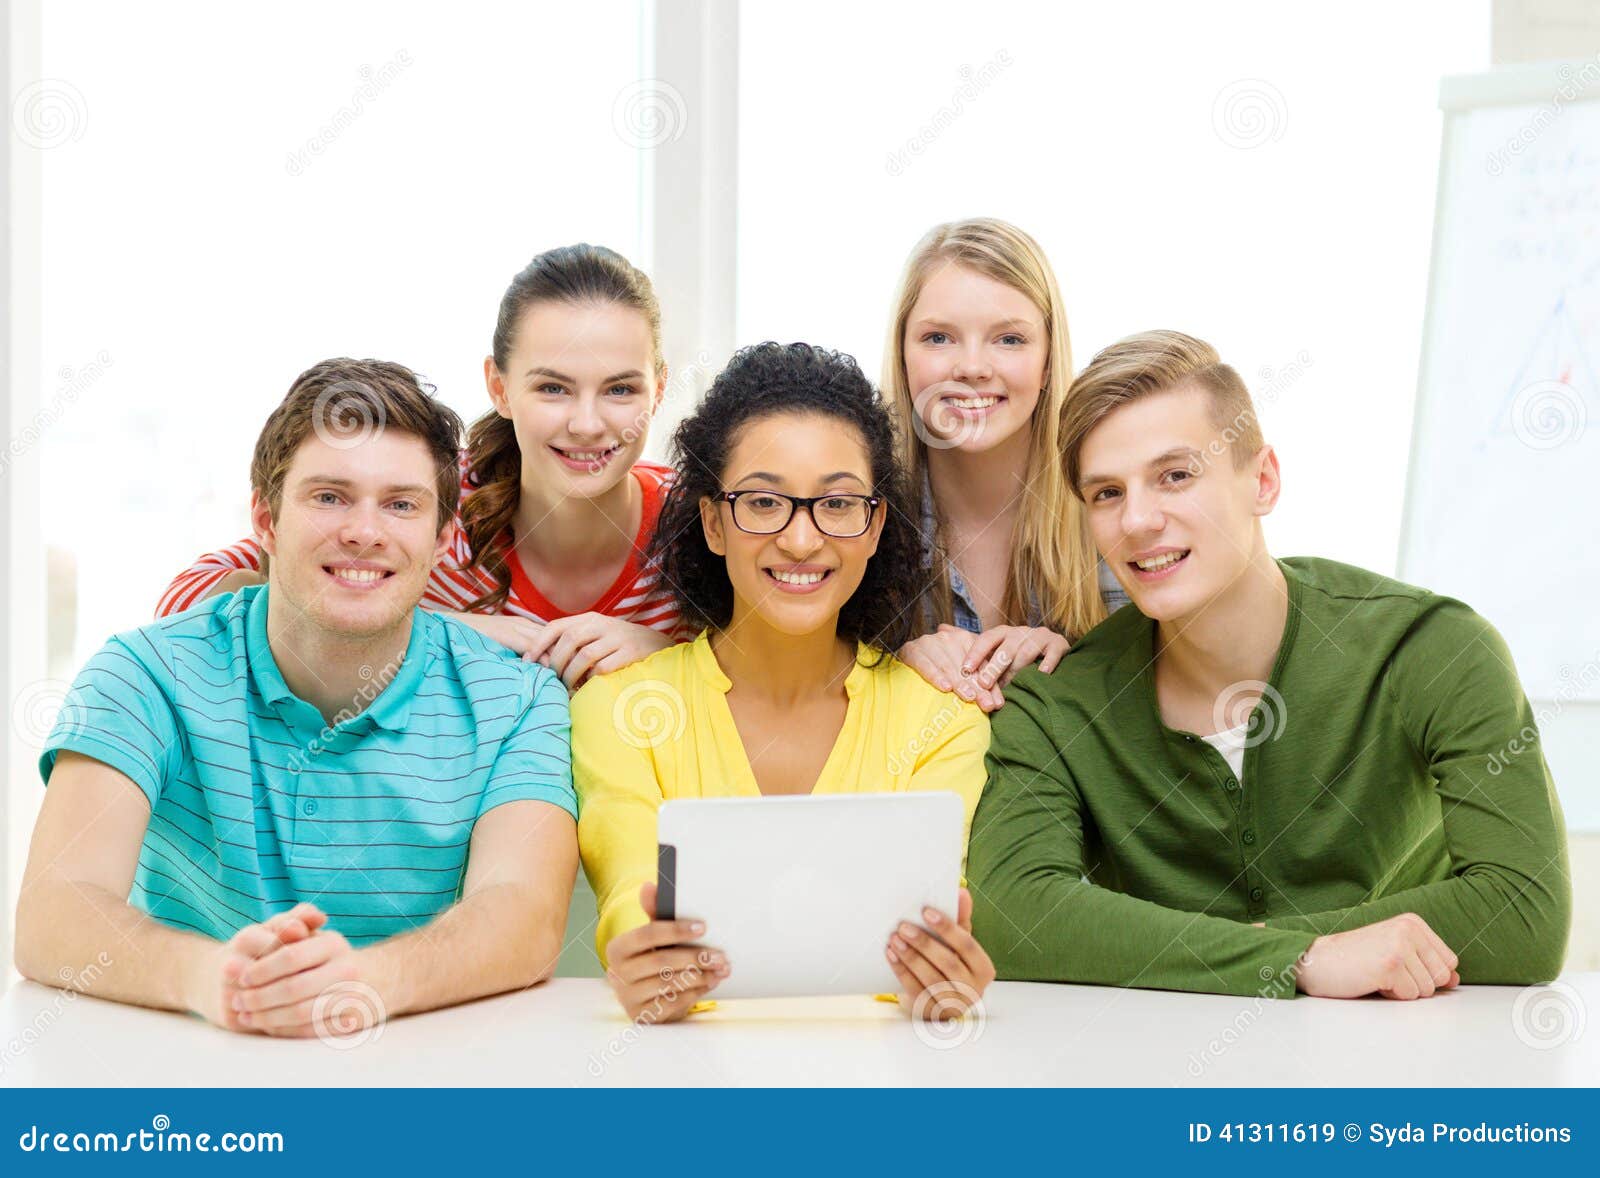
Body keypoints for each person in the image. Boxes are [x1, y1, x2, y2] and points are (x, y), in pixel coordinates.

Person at [968, 329, 1571, 999]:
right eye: (1107, 493)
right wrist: (1300, 958)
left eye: (1175, 475)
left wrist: (1245, 951)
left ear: (1262, 479)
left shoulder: (1434, 649)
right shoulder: (1054, 703)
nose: (1137, 520)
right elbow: (1012, 918)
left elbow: (1524, 911)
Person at [15, 359, 578, 1037]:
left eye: (401, 504)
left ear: (439, 535)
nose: (364, 532)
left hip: (408, 1063)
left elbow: (524, 914)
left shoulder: (517, 699)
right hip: (182, 1065)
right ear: (266, 519)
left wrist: (361, 984)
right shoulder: (141, 673)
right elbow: (54, 908)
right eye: (330, 496)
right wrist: (213, 977)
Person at [573, 342, 994, 1024]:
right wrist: (641, 955)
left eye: (836, 503)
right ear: (713, 521)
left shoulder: (943, 720)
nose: (801, 541)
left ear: (875, 523)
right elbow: (630, 887)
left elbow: (932, 918)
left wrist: (939, 974)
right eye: (764, 502)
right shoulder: (619, 710)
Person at [156, 244, 683, 689]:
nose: (587, 424)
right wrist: (432, 630)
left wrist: (674, 655)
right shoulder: (421, 495)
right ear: (499, 387)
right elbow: (187, 600)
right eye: (552, 388)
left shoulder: (701, 521)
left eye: (620, 389)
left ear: (657, 390)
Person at [884, 218, 1126, 712]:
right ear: (903, 353)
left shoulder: (1115, 514)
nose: (972, 367)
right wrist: (886, 675)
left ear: (1046, 361)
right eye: (938, 338)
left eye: (1009, 340)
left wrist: (1081, 672)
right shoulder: (852, 519)